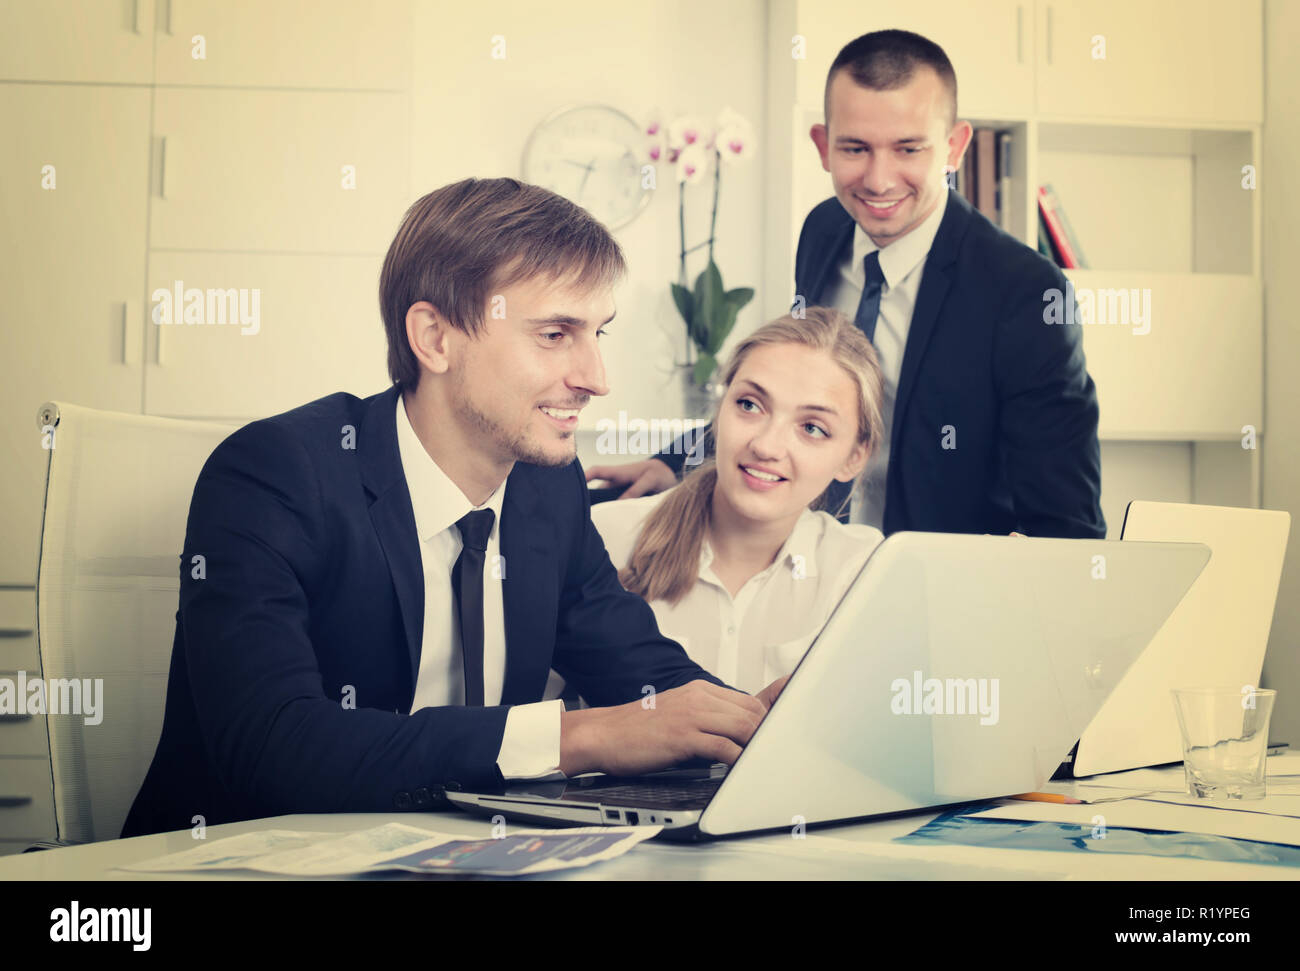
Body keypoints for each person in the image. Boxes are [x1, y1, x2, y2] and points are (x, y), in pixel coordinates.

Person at [122, 177, 786, 839]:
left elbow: (645, 675)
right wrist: (574, 736)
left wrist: (760, 721)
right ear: (435, 338)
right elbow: (272, 743)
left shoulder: (546, 488)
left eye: (597, 333)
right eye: (555, 333)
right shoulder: (274, 474)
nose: (596, 377)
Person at [587, 29, 1105, 539]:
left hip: (935, 590)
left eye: (908, 150)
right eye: (855, 149)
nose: (878, 181)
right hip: (806, 563)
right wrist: (674, 462)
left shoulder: (1028, 292)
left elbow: (1065, 523)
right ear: (823, 145)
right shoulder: (824, 230)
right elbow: (791, 395)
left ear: (954, 147)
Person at [582, 307, 887, 695]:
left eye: (812, 428)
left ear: (854, 457)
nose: (765, 445)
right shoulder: (602, 539)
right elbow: (523, 731)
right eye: (749, 405)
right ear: (719, 411)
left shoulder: (866, 572)